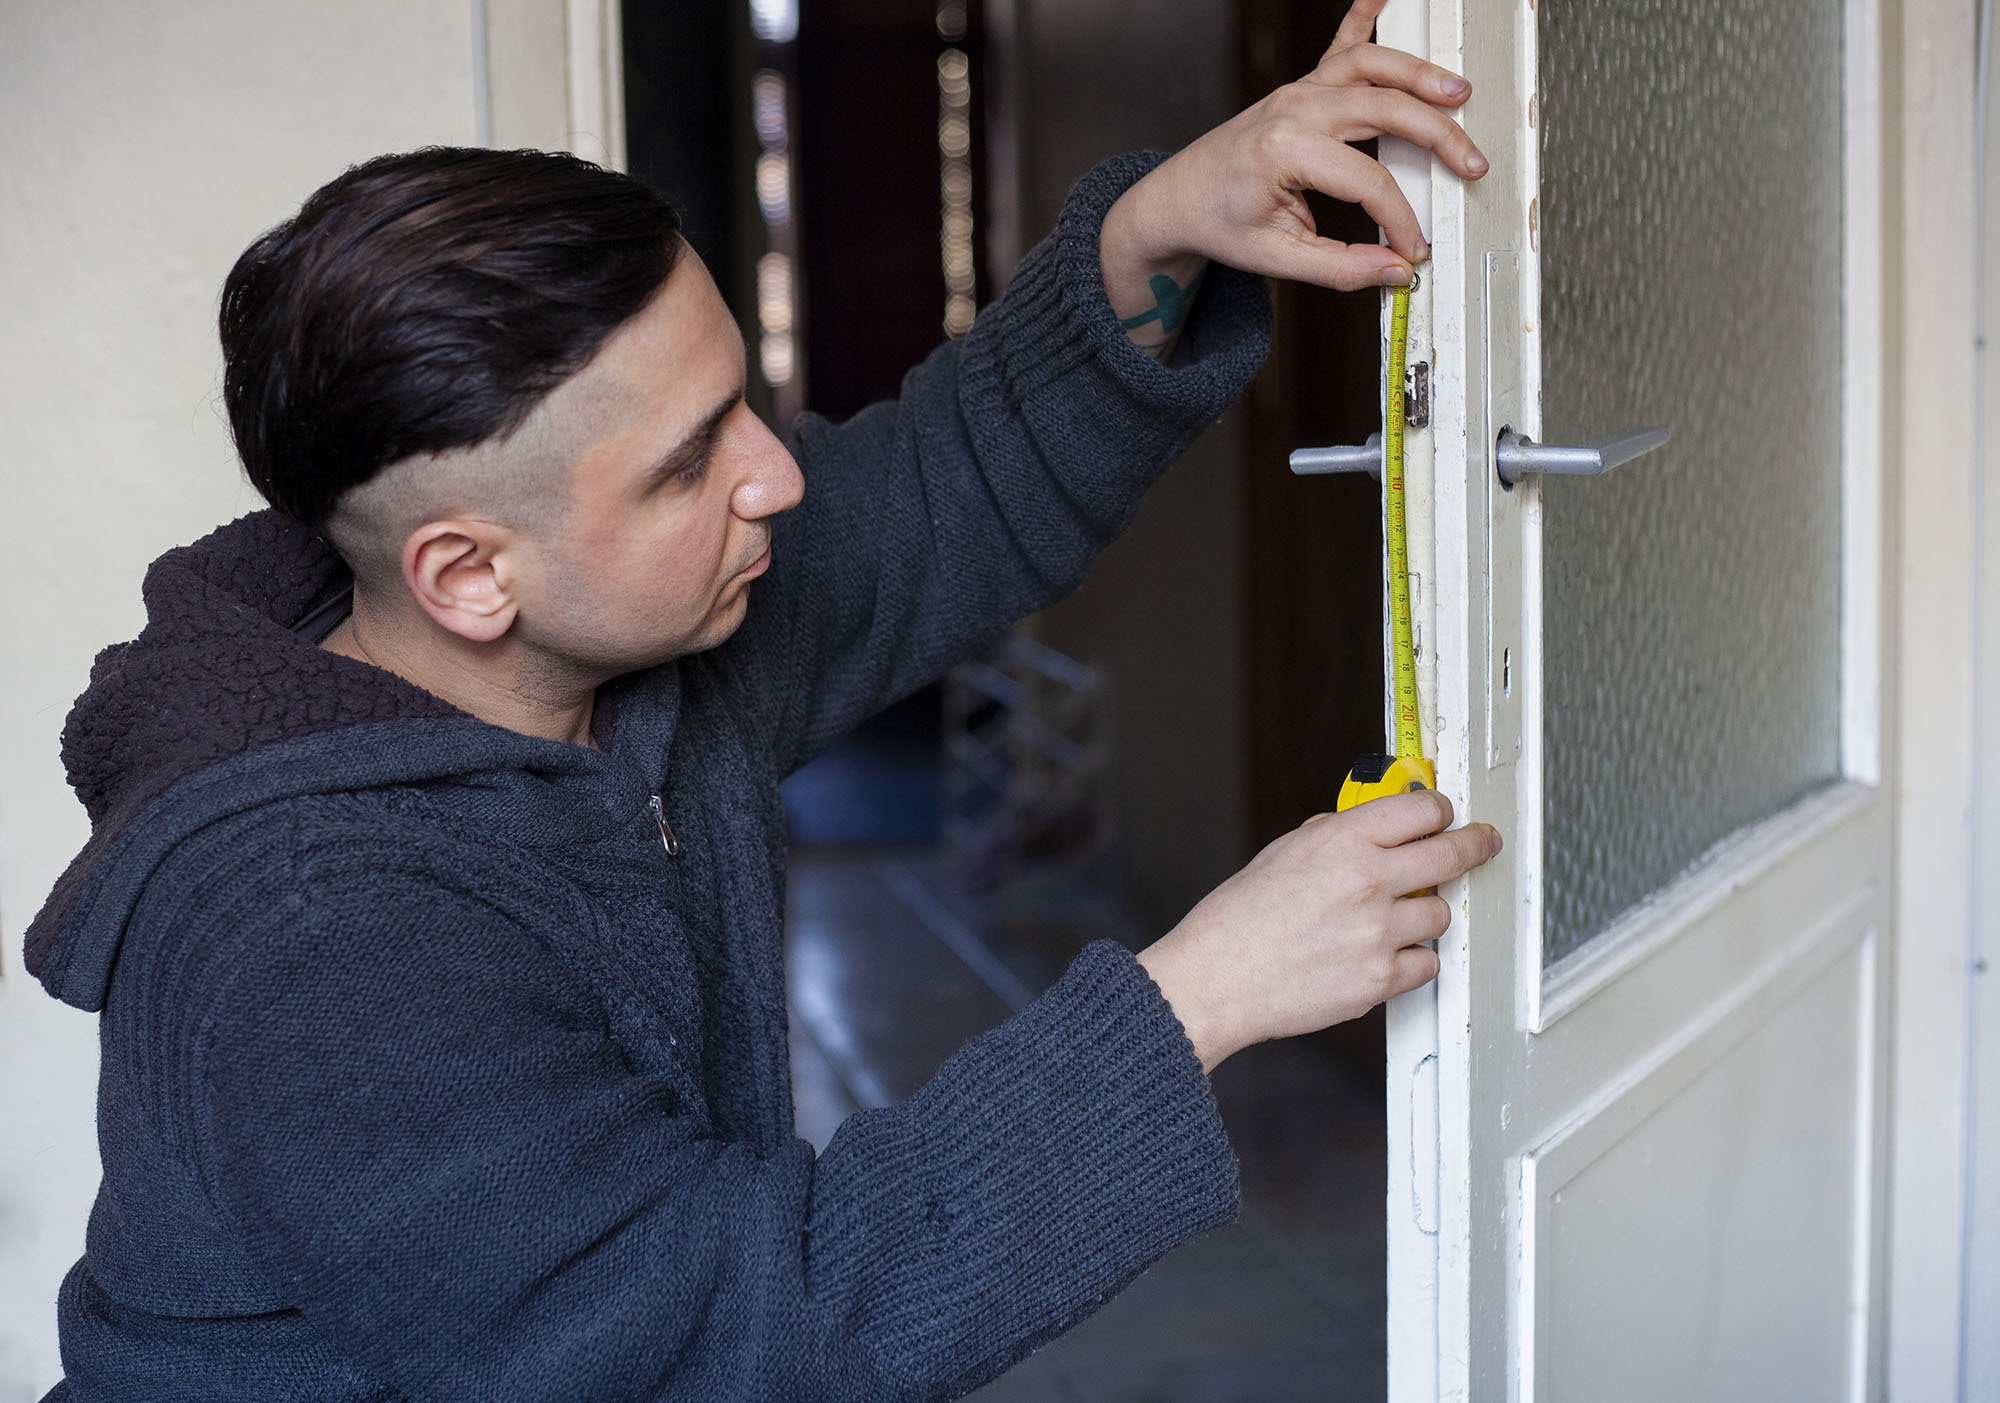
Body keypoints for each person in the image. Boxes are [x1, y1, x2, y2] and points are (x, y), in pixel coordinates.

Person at [25, 5, 1499, 1399]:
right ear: (469, 576)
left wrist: (1154, 233)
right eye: (688, 463)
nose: (776, 476)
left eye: (742, 398)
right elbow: (746, 1336)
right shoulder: (313, 940)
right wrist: (1211, 993)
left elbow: (939, 491)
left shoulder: (617, 639)